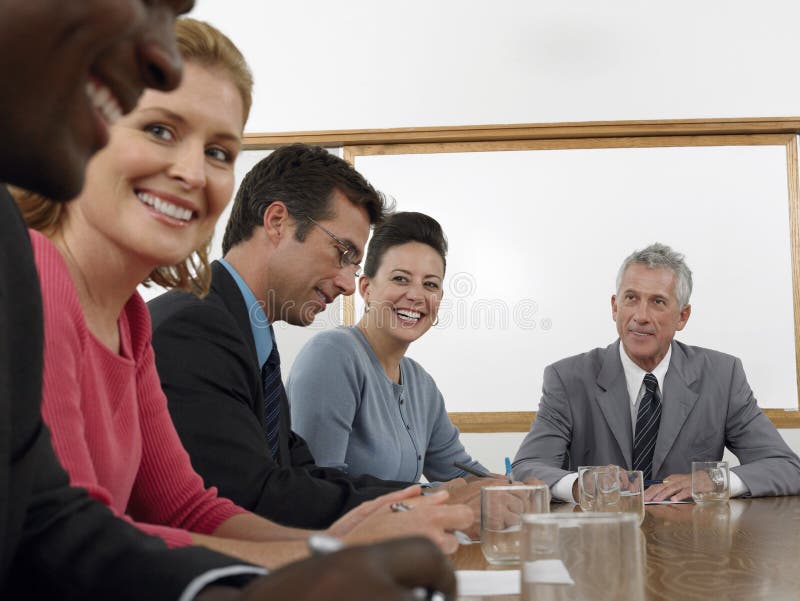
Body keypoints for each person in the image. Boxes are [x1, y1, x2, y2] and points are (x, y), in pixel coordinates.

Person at [0, 1, 457, 597]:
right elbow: (66, 535)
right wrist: (327, 555)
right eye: (160, 130)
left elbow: (186, 508)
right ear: (87, 126)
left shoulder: (133, 321)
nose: (193, 172)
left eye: (219, 153)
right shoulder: (39, 274)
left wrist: (332, 552)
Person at [149, 144, 493, 534]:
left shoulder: (248, 336)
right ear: (277, 222)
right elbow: (250, 496)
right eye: (342, 252)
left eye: (353, 264)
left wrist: (434, 496)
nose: (347, 284)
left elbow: (302, 475)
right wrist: (424, 505)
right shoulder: (196, 329)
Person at [512, 242, 800, 503]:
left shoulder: (723, 376)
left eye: (658, 302)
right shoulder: (567, 378)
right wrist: (580, 485)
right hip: (602, 535)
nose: (640, 316)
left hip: (692, 537)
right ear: (615, 307)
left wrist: (715, 481)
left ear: (682, 316)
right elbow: (527, 467)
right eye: (631, 298)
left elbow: (786, 467)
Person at [287, 211, 488, 483]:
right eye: (400, 279)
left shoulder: (421, 385)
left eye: (430, 284)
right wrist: (429, 495)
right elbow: (319, 485)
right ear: (366, 288)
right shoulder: (332, 355)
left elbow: (461, 475)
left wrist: (515, 488)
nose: (416, 295)